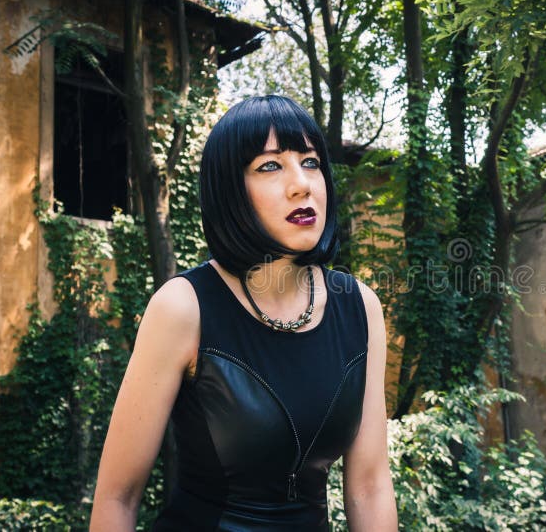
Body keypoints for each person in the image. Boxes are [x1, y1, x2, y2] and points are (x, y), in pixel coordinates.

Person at [90, 95, 398, 531]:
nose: (301, 184)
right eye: (270, 166)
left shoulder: (360, 307)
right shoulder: (183, 307)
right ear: (231, 190)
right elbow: (117, 498)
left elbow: (370, 486)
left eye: (311, 162)